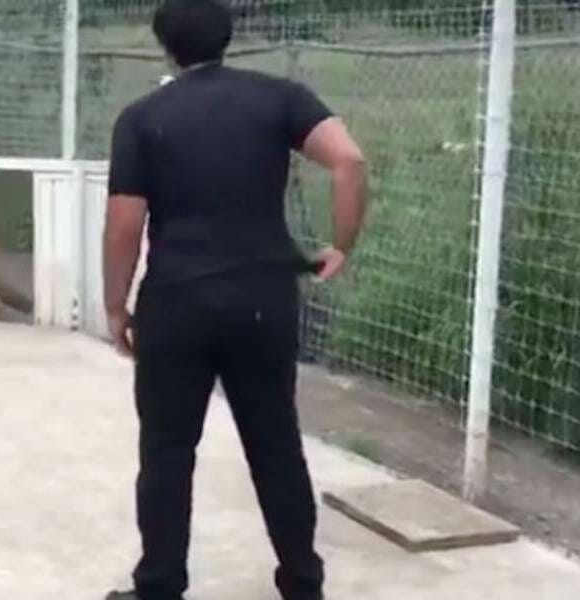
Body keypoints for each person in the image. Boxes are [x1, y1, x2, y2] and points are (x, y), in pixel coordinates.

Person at [101, 1, 368, 600]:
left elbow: (125, 224)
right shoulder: (281, 97)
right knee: (275, 443)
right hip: (263, 297)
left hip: (176, 302)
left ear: (165, 47)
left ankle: (160, 585)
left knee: (168, 451)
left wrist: (116, 306)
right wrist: (340, 246)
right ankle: (302, 582)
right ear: (228, 38)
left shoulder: (142, 118)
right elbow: (348, 160)